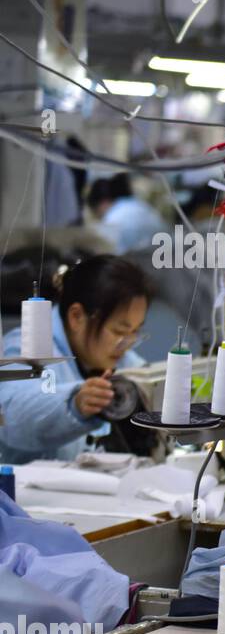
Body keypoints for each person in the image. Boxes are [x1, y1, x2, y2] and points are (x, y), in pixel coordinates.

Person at [0, 257, 150, 464]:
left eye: (135, 332)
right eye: (119, 331)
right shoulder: (28, 347)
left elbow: (147, 378)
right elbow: (11, 415)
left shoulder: (119, 357)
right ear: (77, 317)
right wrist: (74, 404)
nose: (127, 344)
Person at [85, 174, 170, 255]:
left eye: (96, 212)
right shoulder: (140, 205)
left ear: (103, 203)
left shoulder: (112, 220)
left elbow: (110, 256)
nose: (99, 216)